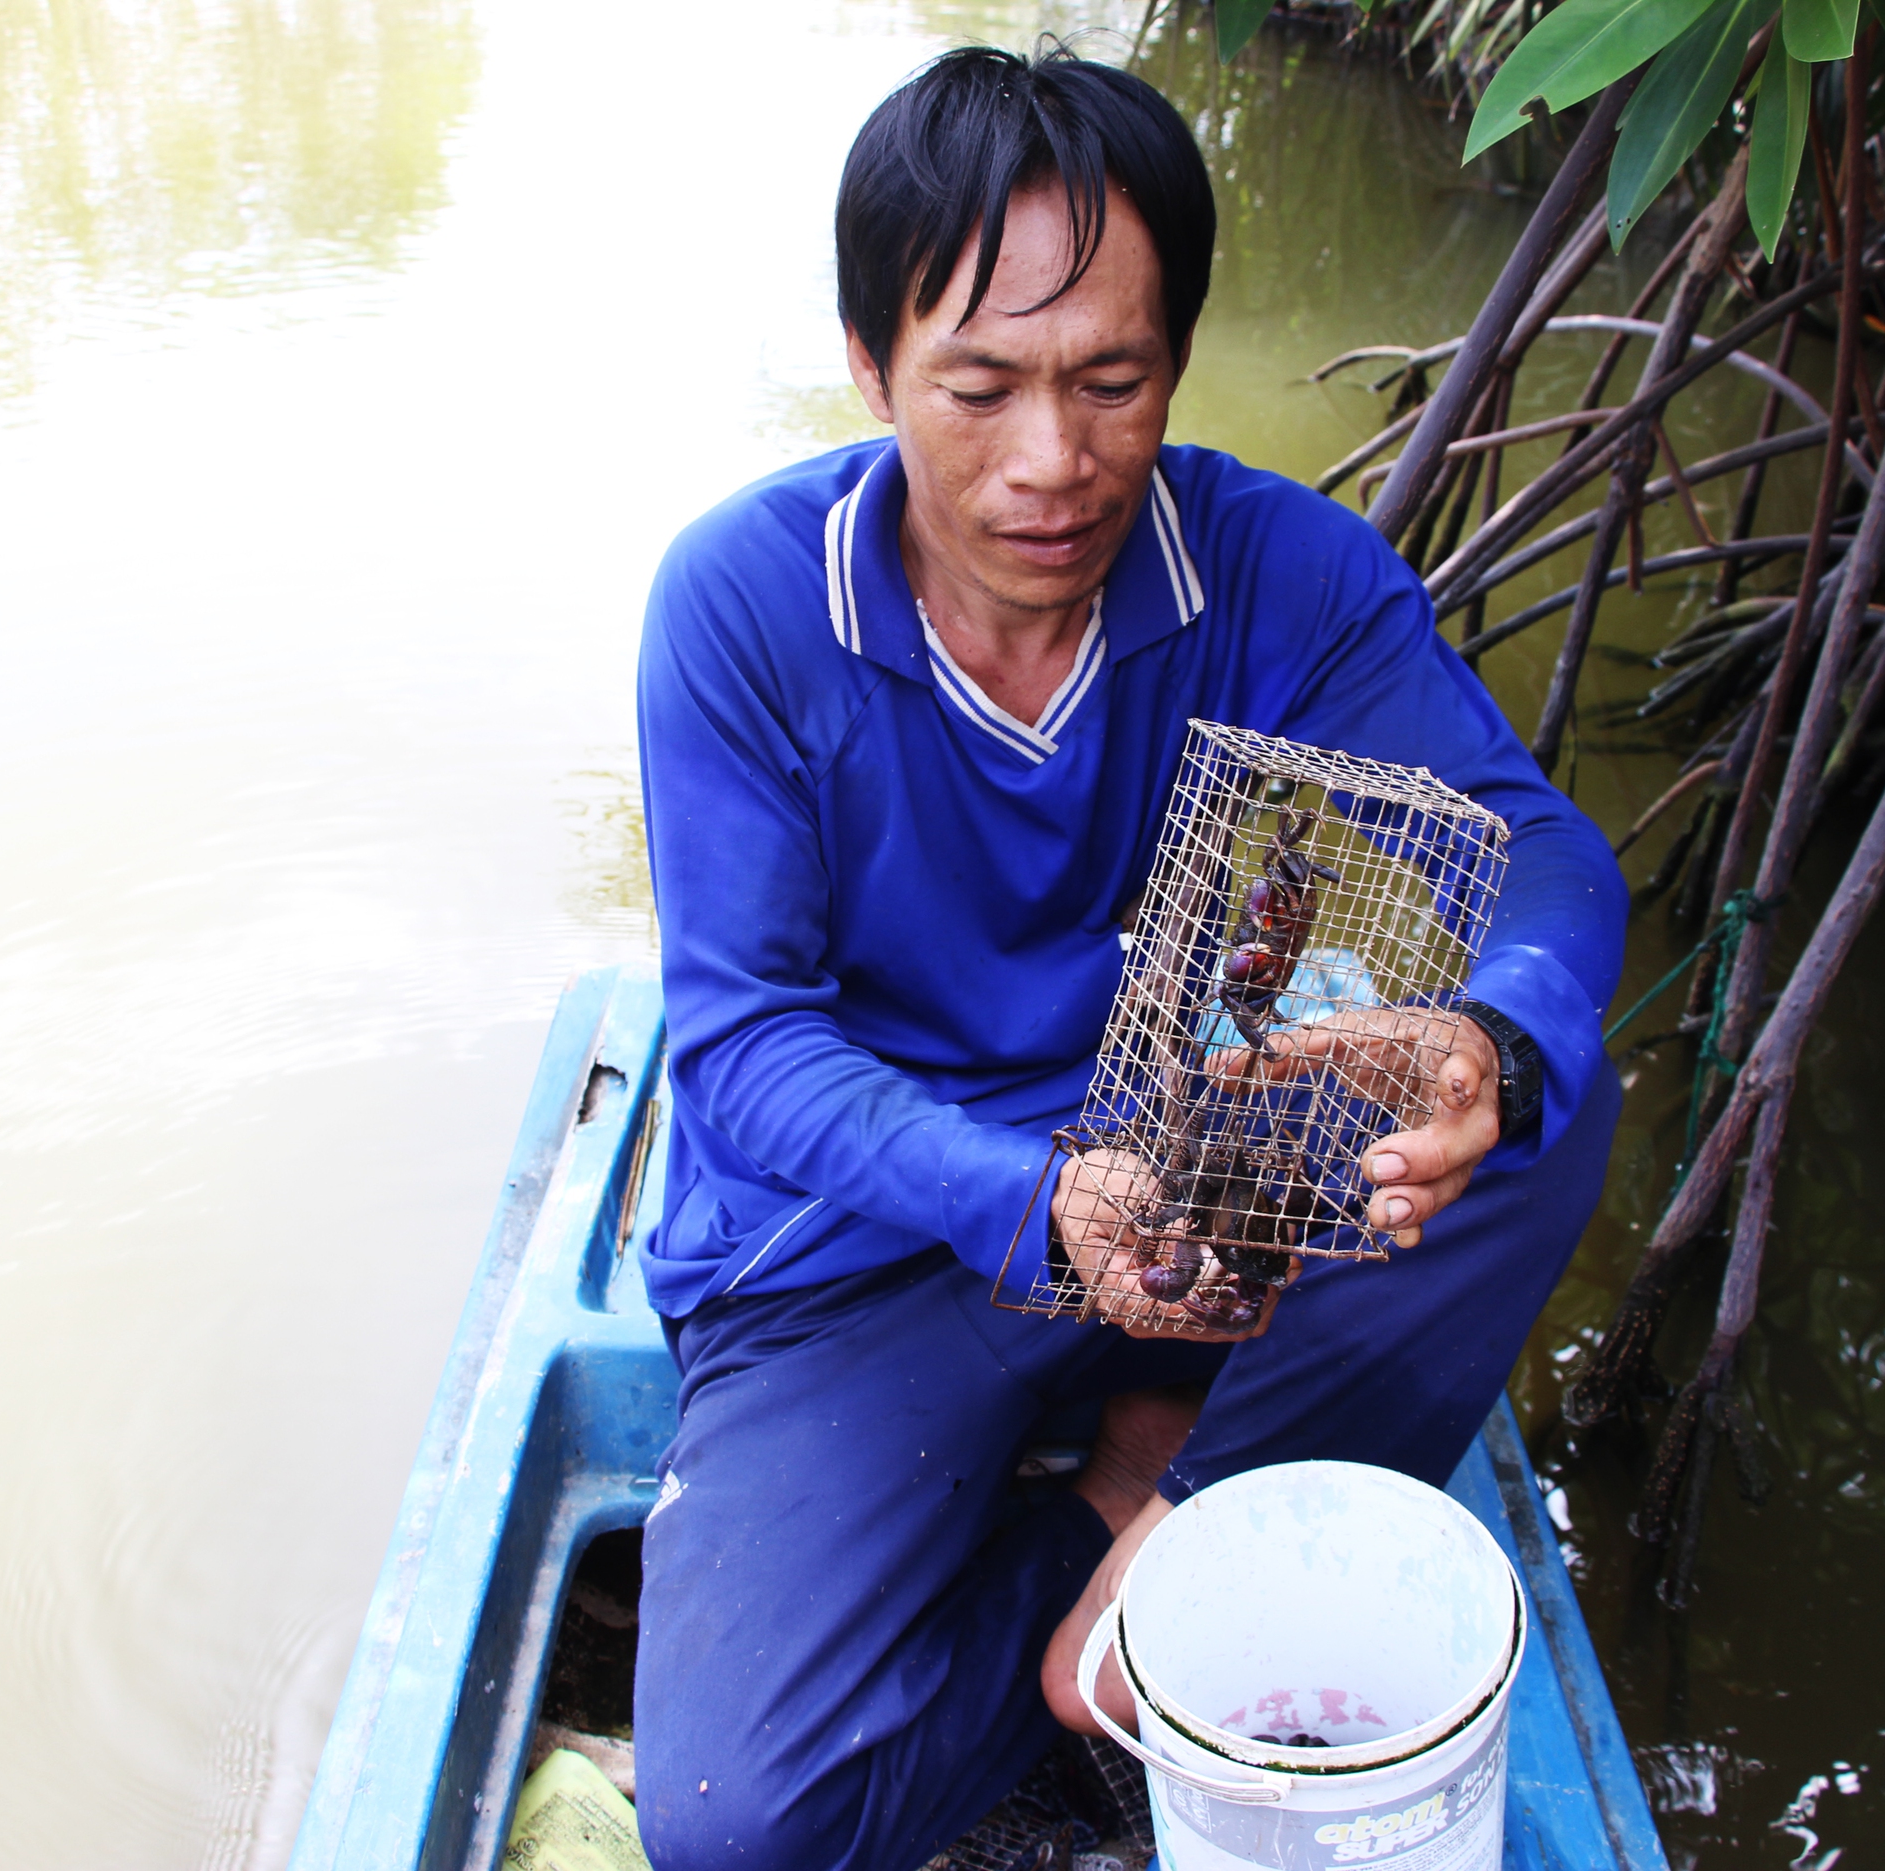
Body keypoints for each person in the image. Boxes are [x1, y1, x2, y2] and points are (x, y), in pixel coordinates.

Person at [629, 42, 1623, 1871]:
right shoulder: (744, 611)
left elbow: (1541, 849)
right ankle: (1108, 1535)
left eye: (1114, 380)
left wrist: (1492, 1030)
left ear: (1175, 360)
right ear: (871, 367)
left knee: (1540, 1099)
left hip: (1196, 1171)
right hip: (878, 1235)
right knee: (738, 1825)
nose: (1053, 463)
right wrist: (1032, 1202)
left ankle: (1201, 1483)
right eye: (979, 386)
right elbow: (749, 1049)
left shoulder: (1280, 576)